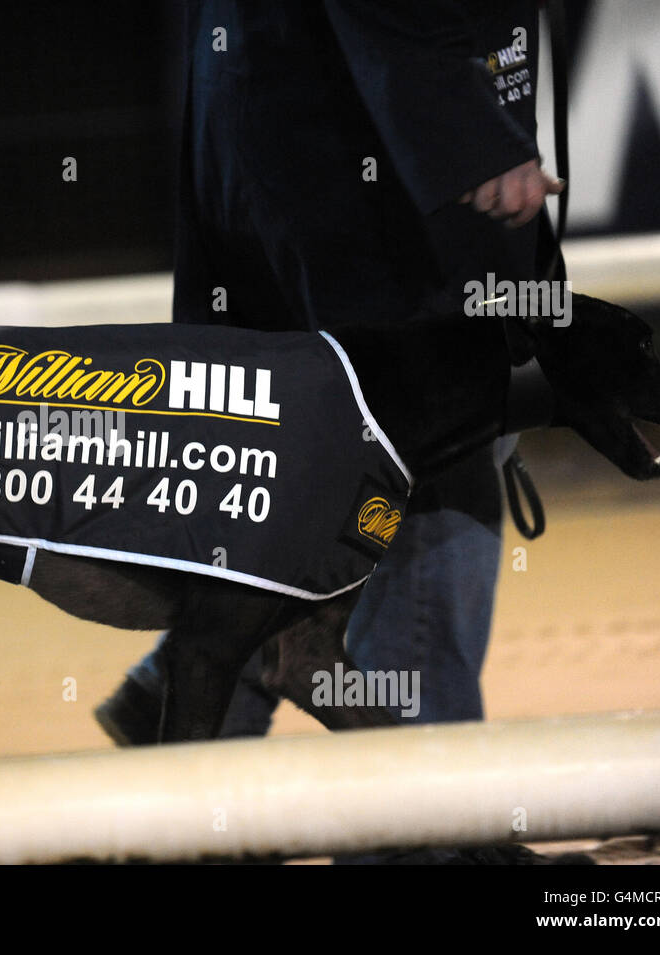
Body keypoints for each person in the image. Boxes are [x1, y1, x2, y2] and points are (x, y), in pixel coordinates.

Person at [98, 2, 564, 756]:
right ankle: (417, 826)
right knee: (429, 460)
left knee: (294, 470)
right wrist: (465, 130)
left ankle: (197, 733)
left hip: (288, 130)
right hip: (363, 165)